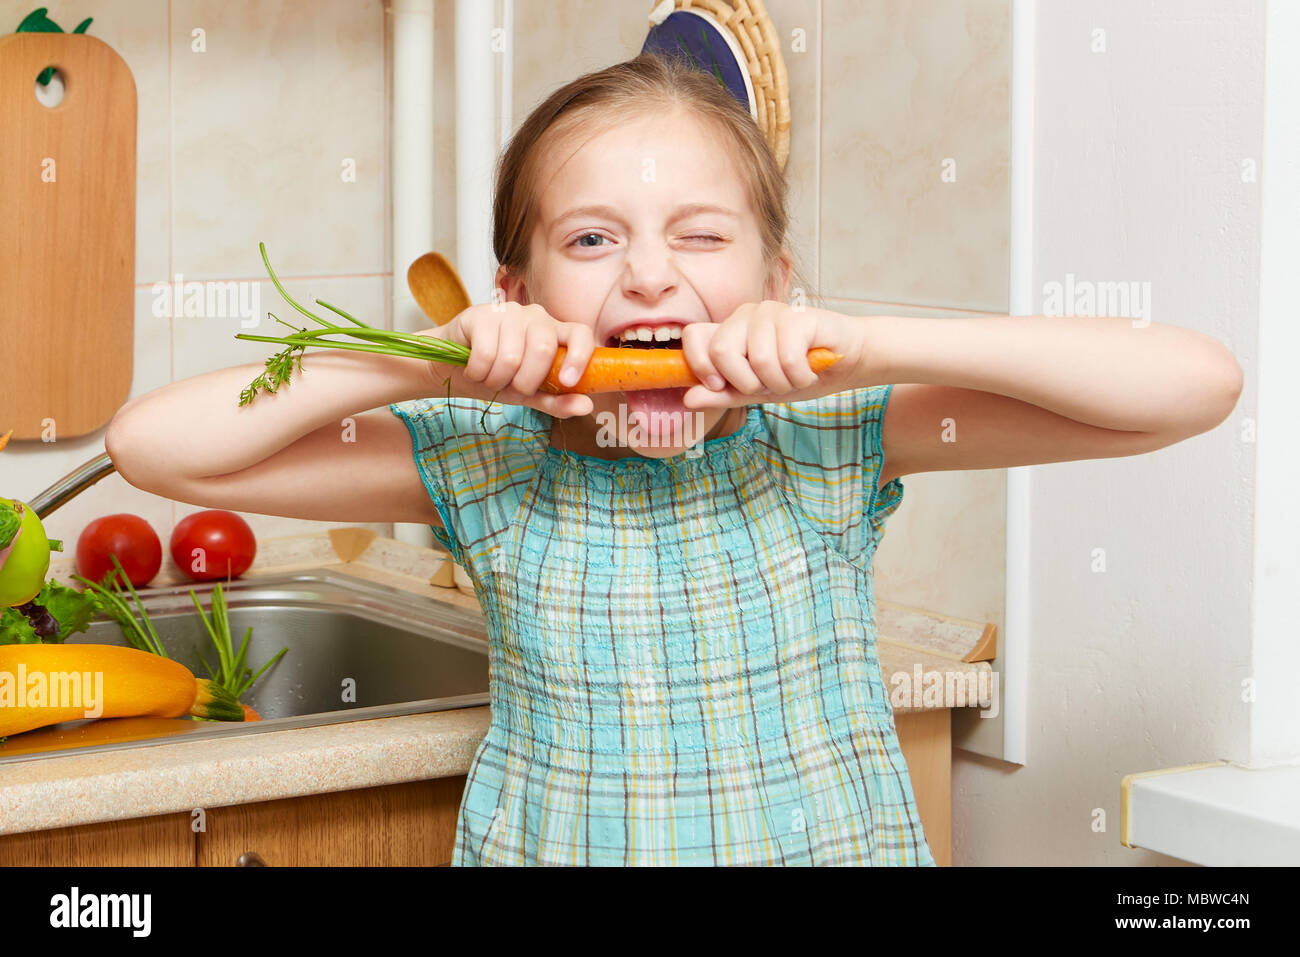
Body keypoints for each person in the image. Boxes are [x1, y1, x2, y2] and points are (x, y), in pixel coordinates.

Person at [107, 53, 1242, 866]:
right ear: (521, 296)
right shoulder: (483, 460)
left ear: (773, 283)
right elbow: (153, 447)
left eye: (700, 235)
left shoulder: (833, 435)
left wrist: (868, 346)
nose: (649, 277)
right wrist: (429, 363)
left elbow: (1194, 386)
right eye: (592, 240)